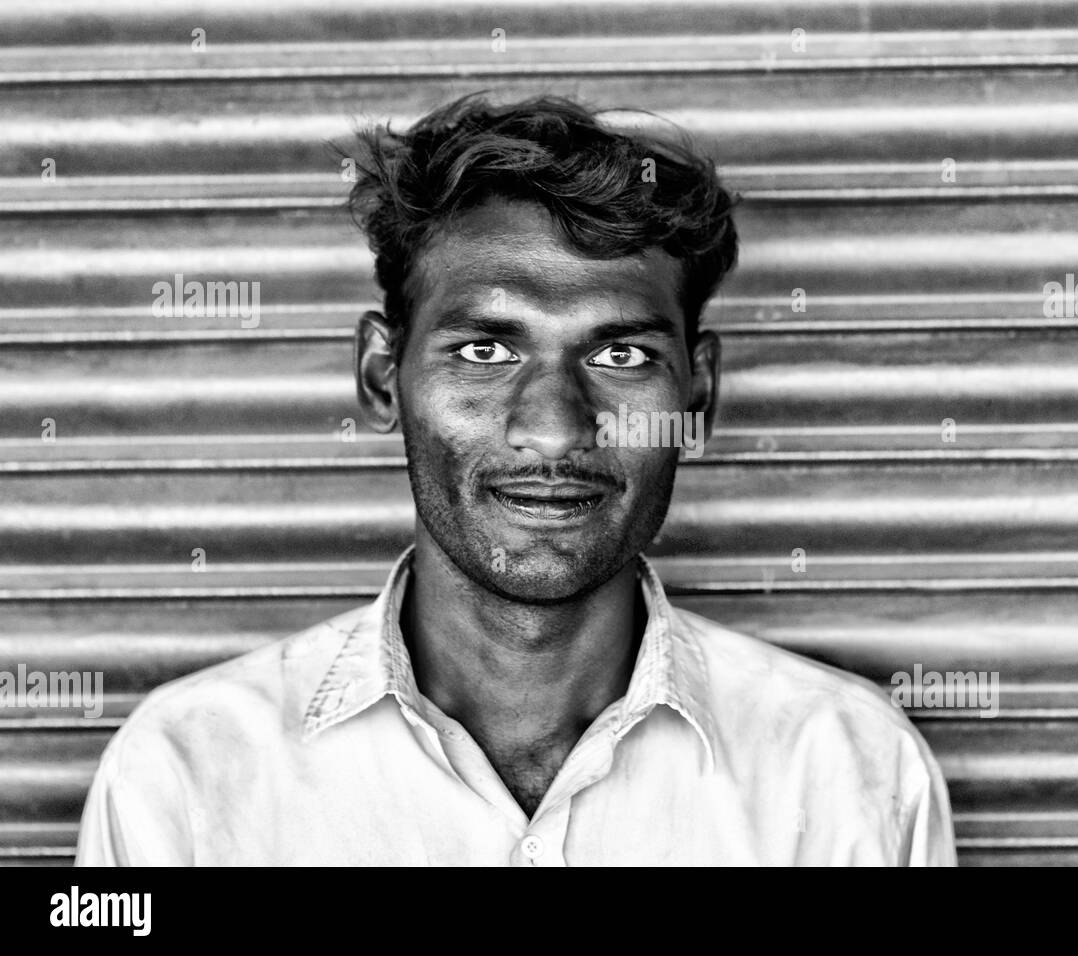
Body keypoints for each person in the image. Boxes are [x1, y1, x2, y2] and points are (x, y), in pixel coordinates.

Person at [75, 93, 956, 866]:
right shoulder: (186, 777)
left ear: (701, 391)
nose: (554, 427)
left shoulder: (850, 773)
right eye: (485, 350)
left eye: (620, 353)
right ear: (383, 377)